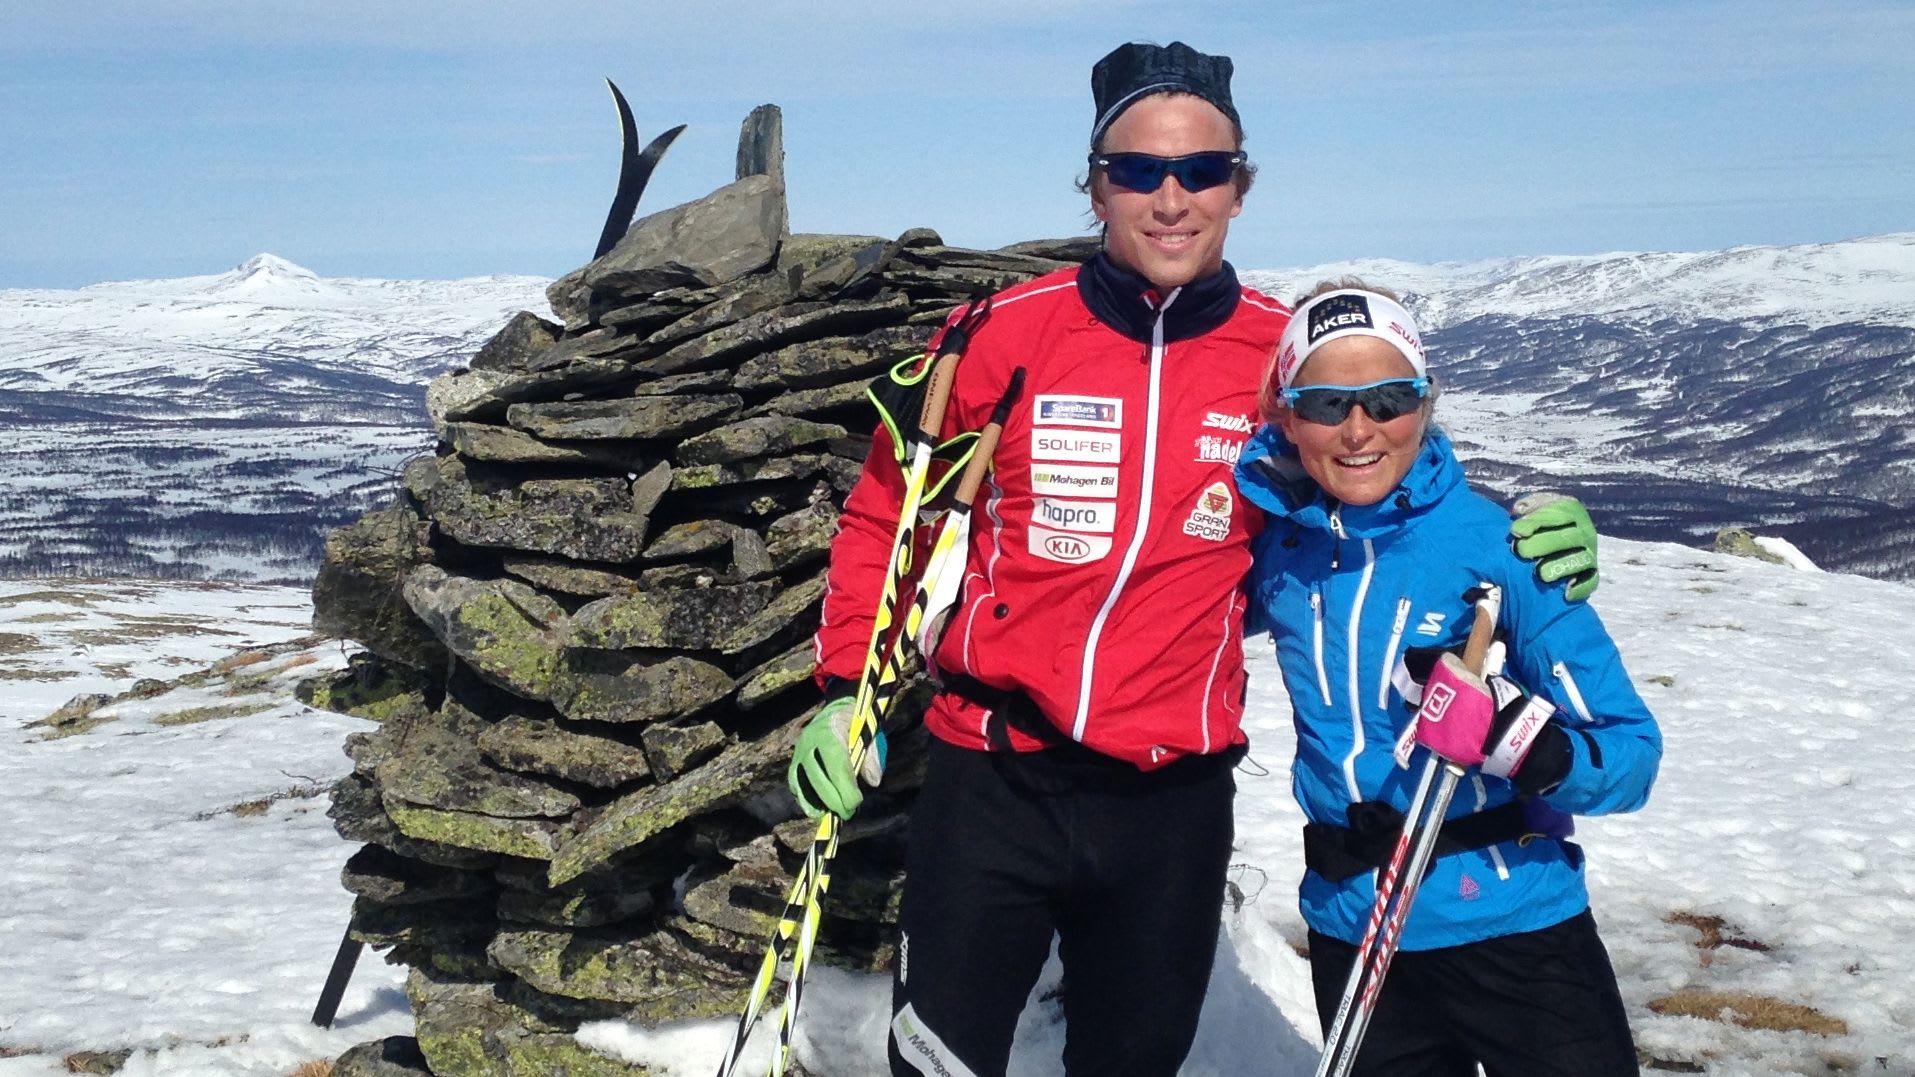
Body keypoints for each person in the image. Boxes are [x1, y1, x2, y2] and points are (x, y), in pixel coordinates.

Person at [790, 42, 1598, 1077]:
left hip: (1169, 803)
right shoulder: (1000, 333)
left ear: (1239, 188)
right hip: (991, 779)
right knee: (936, 1063)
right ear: (1094, 186)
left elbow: (1385, 475)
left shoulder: (1275, 355)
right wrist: (844, 685)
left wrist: (1526, 540)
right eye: (1137, 171)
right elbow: (884, 519)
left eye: (1201, 171)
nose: (1170, 198)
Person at [1234, 280, 1661, 1076]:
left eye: (1388, 398)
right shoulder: (1279, 555)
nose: (1358, 429)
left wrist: (1525, 742)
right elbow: (1165, 605)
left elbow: (1631, 756)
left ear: (1425, 404)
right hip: (1353, 929)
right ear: (1288, 417)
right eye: (1326, 404)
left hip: (1518, 934)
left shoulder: (1500, 551)